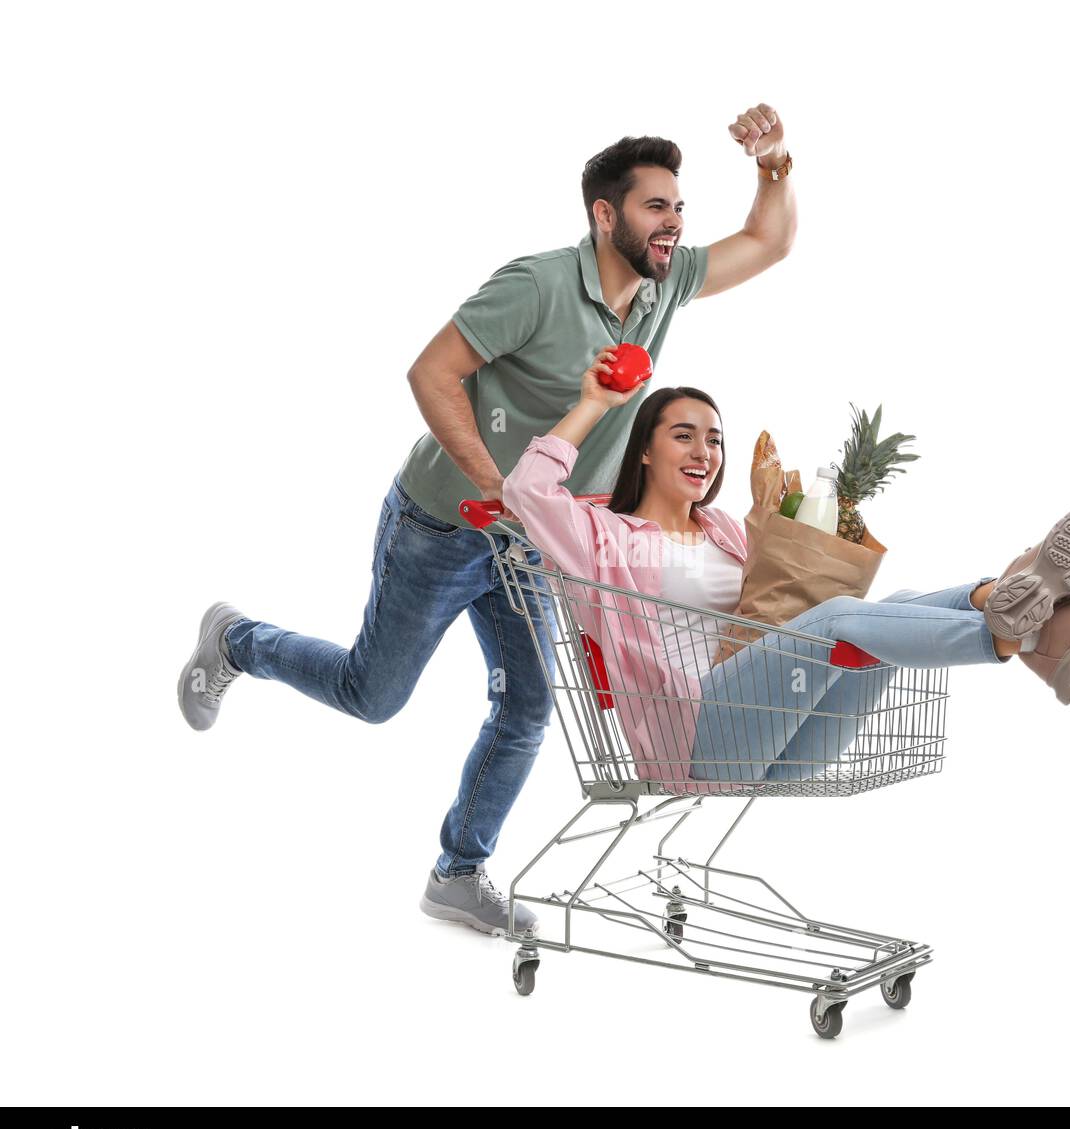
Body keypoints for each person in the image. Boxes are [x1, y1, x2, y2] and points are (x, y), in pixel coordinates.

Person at [177, 106, 797, 936]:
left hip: (531, 544)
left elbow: (768, 241)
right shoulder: (536, 286)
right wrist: (496, 484)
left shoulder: (665, 282)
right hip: (443, 521)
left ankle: (458, 871)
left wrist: (775, 161)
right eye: (657, 207)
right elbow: (431, 373)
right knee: (373, 695)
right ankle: (237, 641)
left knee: (531, 706)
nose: (675, 224)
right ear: (604, 215)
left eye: (679, 208)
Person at [502, 351, 1070, 786]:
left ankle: (1017, 612)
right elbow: (526, 492)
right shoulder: (606, 538)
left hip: (785, 738)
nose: (705, 451)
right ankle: (1016, 634)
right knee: (838, 620)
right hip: (692, 741)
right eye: (684, 435)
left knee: (900, 600)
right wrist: (593, 402)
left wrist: (795, 525)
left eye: (715, 438)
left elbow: (776, 611)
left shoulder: (726, 530)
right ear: (644, 449)